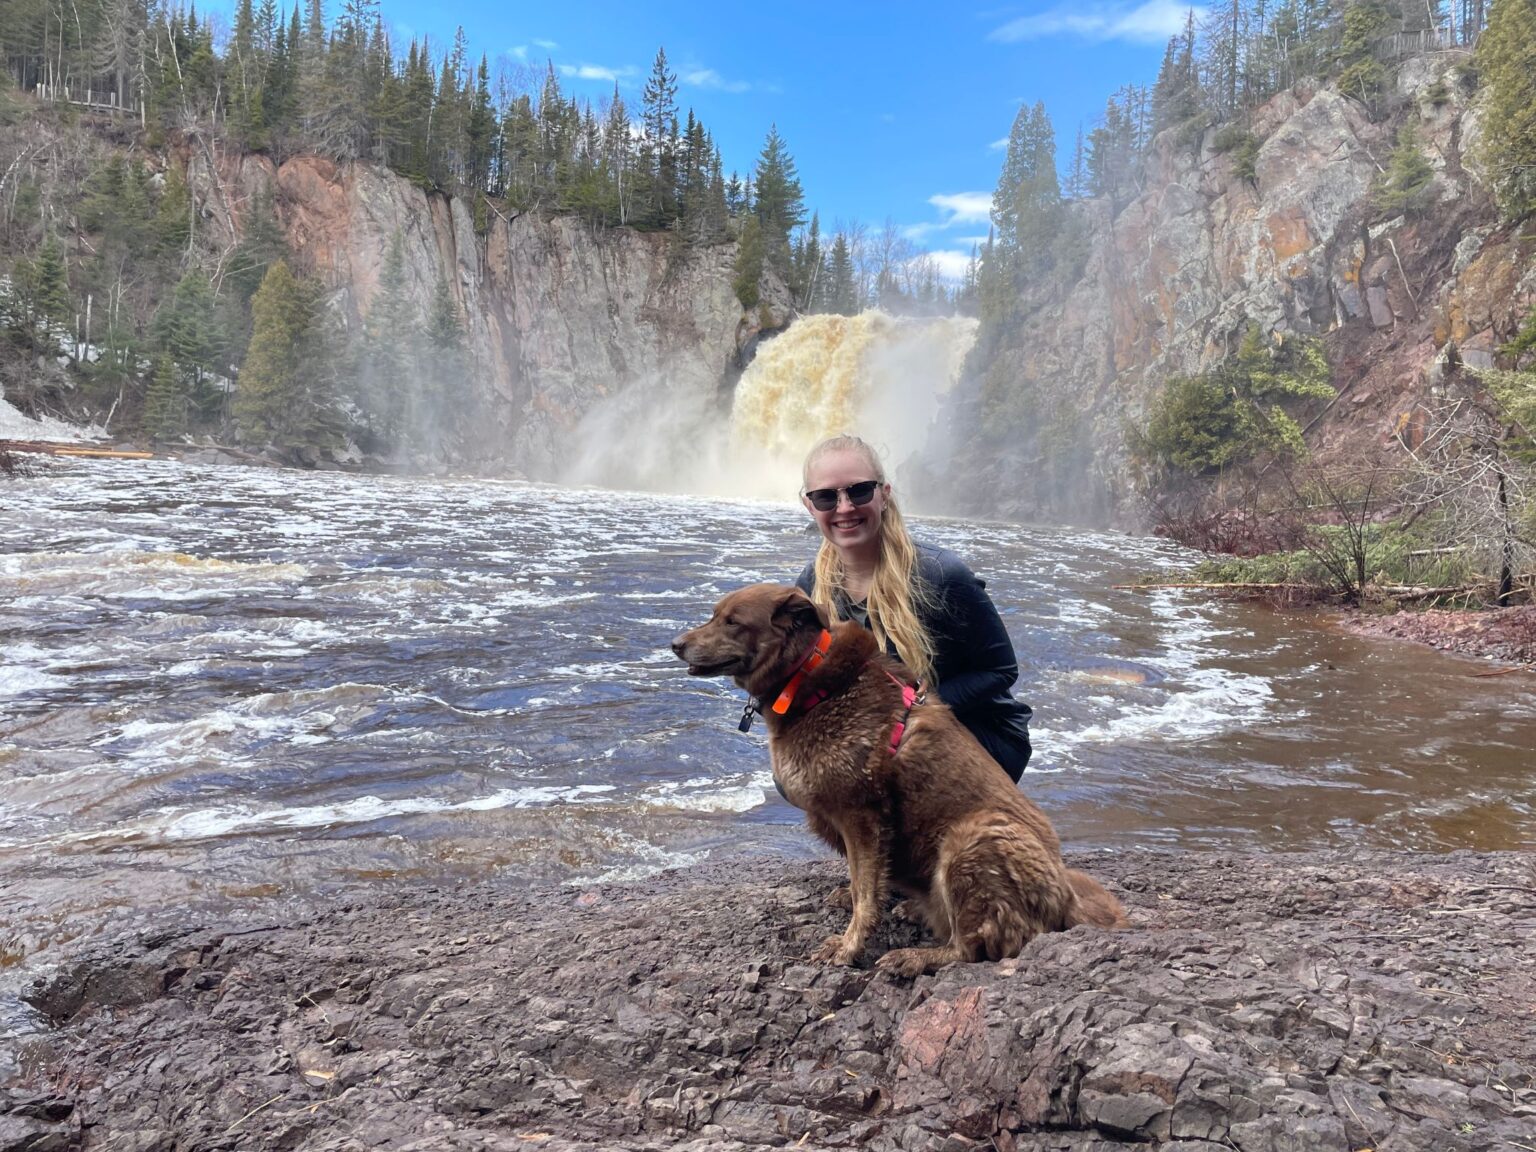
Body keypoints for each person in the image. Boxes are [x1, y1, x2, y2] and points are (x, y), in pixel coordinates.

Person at [792, 433, 1033, 783]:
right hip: (892, 731)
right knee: (796, 774)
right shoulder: (813, 584)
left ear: (884, 495)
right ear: (809, 505)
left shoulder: (940, 575)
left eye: (859, 491)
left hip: (982, 736)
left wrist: (921, 704)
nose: (844, 508)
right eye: (826, 497)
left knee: (875, 774)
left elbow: (1001, 670)